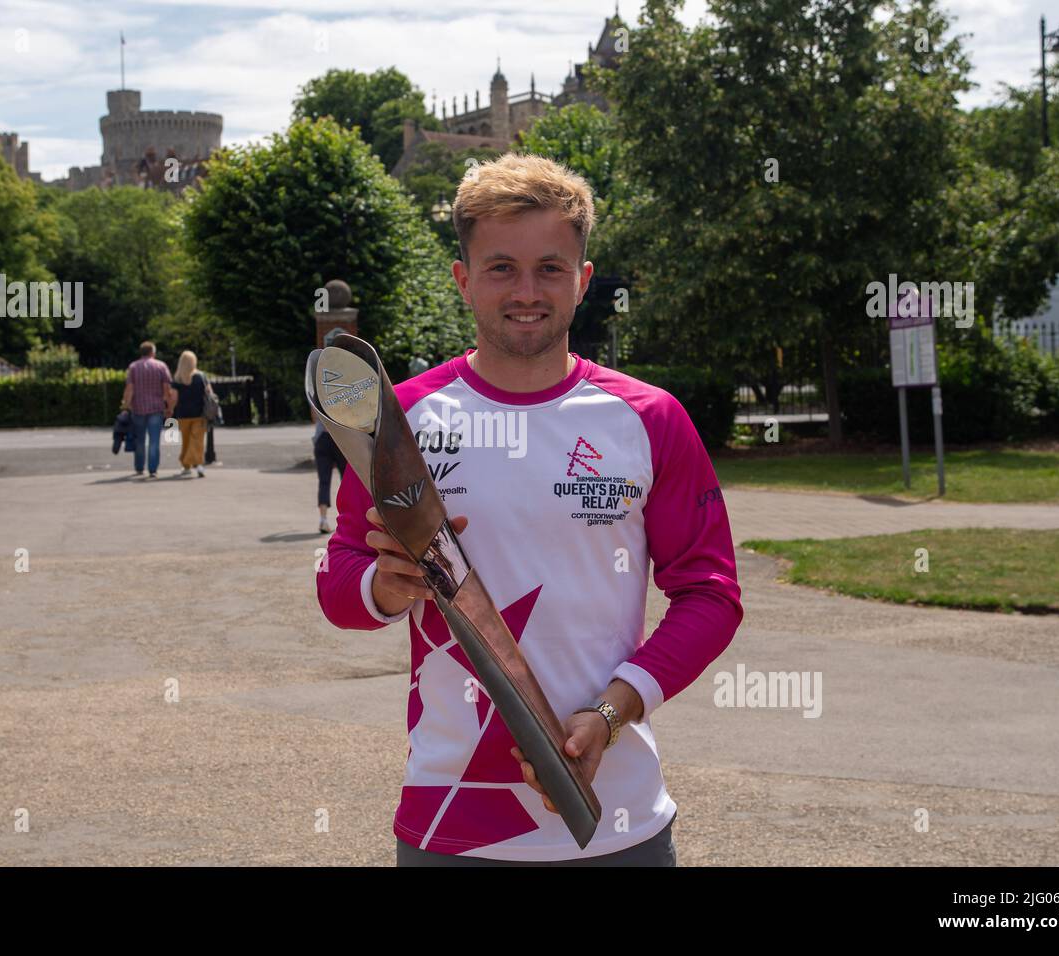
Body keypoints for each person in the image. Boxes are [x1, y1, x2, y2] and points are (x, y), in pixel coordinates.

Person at [315, 153, 743, 866]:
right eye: (501, 268)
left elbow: (712, 595)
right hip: (452, 823)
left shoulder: (649, 419)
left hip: (619, 820)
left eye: (550, 267)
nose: (527, 291)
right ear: (463, 280)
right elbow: (338, 586)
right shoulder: (403, 419)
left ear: (583, 280)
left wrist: (611, 714)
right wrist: (382, 587)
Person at [120, 341, 175, 479]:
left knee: (139, 440)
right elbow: (167, 389)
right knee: (154, 440)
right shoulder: (161, 366)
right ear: (152, 352)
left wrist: (126, 406)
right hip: (156, 408)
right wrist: (169, 407)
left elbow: (129, 389)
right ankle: (152, 470)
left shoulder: (133, 367)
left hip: (138, 408)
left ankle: (139, 468)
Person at [170, 350, 212, 477]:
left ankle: (186, 466)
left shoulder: (177, 379)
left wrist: (170, 410)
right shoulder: (201, 376)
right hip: (199, 414)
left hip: (183, 414)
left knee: (186, 441)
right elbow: (209, 393)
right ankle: (198, 465)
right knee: (197, 441)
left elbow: (174, 399)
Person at [311, 407, 346, 533]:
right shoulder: (341, 392)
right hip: (340, 437)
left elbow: (314, 418)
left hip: (322, 439)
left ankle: (323, 519)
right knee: (347, 481)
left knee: (324, 481)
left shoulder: (317, 392)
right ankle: (347, 519)